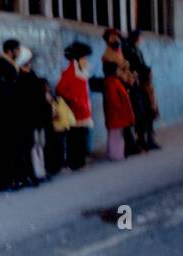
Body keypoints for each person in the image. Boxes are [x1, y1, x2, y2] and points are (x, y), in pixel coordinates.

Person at [0, 39, 30, 191]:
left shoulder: (10, 65)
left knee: (15, 149)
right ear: (10, 51)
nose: (18, 53)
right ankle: (7, 181)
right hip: (6, 117)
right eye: (17, 50)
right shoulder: (1, 66)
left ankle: (17, 178)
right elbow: (4, 92)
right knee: (8, 150)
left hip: (13, 116)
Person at [54, 42, 95, 171]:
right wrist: (73, 99)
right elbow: (59, 89)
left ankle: (80, 161)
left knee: (81, 137)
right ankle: (75, 163)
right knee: (74, 138)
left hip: (82, 109)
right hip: (74, 111)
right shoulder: (69, 72)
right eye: (83, 58)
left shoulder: (82, 72)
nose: (85, 60)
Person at [101, 29, 138, 161]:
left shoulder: (118, 51)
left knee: (124, 121)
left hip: (123, 86)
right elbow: (117, 71)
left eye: (116, 36)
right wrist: (128, 77)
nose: (115, 39)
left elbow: (124, 68)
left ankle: (127, 147)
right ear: (107, 39)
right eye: (112, 37)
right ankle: (120, 151)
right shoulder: (108, 54)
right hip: (117, 87)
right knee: (117, 124)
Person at [16, 51, 53, 182]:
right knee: (33, 147)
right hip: (30, 119)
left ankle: (41, 170)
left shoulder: (31, 75)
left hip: (37, 117)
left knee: (40, 145)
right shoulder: (21, 78)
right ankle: (36, 172)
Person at [123, 29, 162, 150]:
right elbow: (133, 68)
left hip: (143, 85)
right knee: (141, 113)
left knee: (149, 111)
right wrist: (144, 72)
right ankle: (142, 139)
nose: (141, 39)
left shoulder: (136, 50)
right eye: (140, 37)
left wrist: (146, 71)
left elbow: (141, 66)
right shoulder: (129, 50)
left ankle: (149, 139)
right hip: (136, 86)